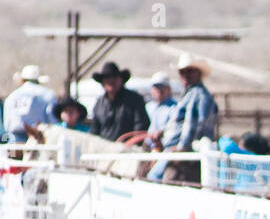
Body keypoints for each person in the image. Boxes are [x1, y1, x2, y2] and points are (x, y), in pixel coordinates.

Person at [161, 53, 219, 184]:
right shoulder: (192, 94)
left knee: (156, 178)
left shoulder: (197, 94)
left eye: (189, 71)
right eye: (182, 71)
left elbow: (192, 124)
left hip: (184, 155)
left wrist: (181, 148)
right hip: (184, 152)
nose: (185, 75)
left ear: (198, 73)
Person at [88, 61, 149, 142]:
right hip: (103, 151)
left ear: (121, 80)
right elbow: (94, 131)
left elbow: (141, 126)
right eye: (107, 78)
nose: (111, 81)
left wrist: (132, 144)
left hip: (128, 150)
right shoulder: (99, 103)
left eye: (114, 77)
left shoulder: (134, 99)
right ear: (102, 82)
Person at [3, 65, 56, 143]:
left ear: (22, 80)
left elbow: (7, 124)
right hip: (39, 138)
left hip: (16, 139)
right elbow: (52, 120)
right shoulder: (48, 94)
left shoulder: (12, 96)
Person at [145, 72, 178, 149]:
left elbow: (174, 126)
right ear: (151, 89)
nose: (159, 90)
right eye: (156, 87)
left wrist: (162, 132)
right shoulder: (148, 107)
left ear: (169, 89)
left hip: (165, 148)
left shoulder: (175, 108)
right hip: (146, 147)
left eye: (162, 87)